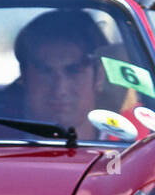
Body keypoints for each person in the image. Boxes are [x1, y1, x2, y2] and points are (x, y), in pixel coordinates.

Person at [12, 9, 108, 138]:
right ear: (24, 77)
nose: (60, 89)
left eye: (74, 71)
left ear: (99, 76)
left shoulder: (135, 148)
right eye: (45, 72)